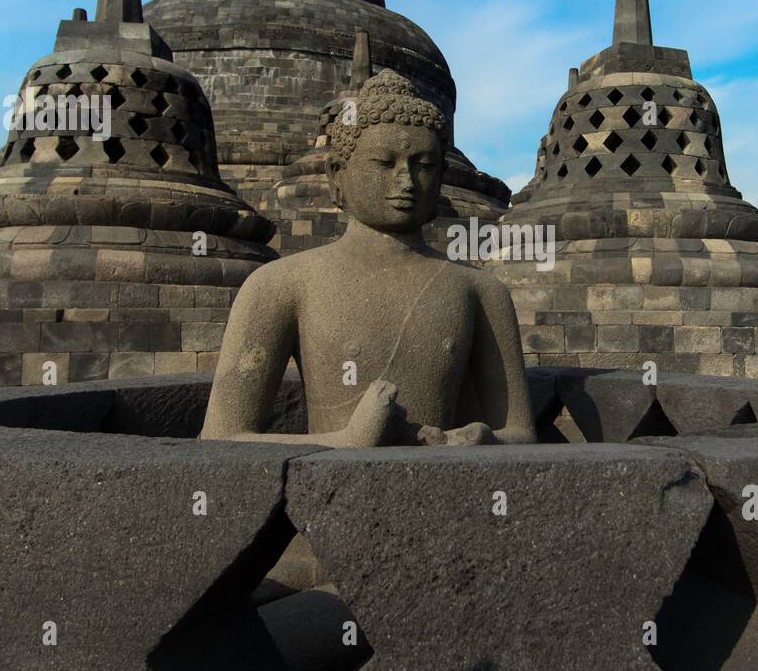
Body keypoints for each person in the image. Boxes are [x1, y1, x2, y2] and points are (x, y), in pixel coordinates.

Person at [200, 69, 535, 447]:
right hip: (325, 499)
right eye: (384, 163)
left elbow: (521, 432)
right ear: (337, 174)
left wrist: (486, 439)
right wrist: (349, 440)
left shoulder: (480, 290)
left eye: (423, 165)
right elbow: (222, 437)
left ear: (441, 176)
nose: (406, 181)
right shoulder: (279, 285)